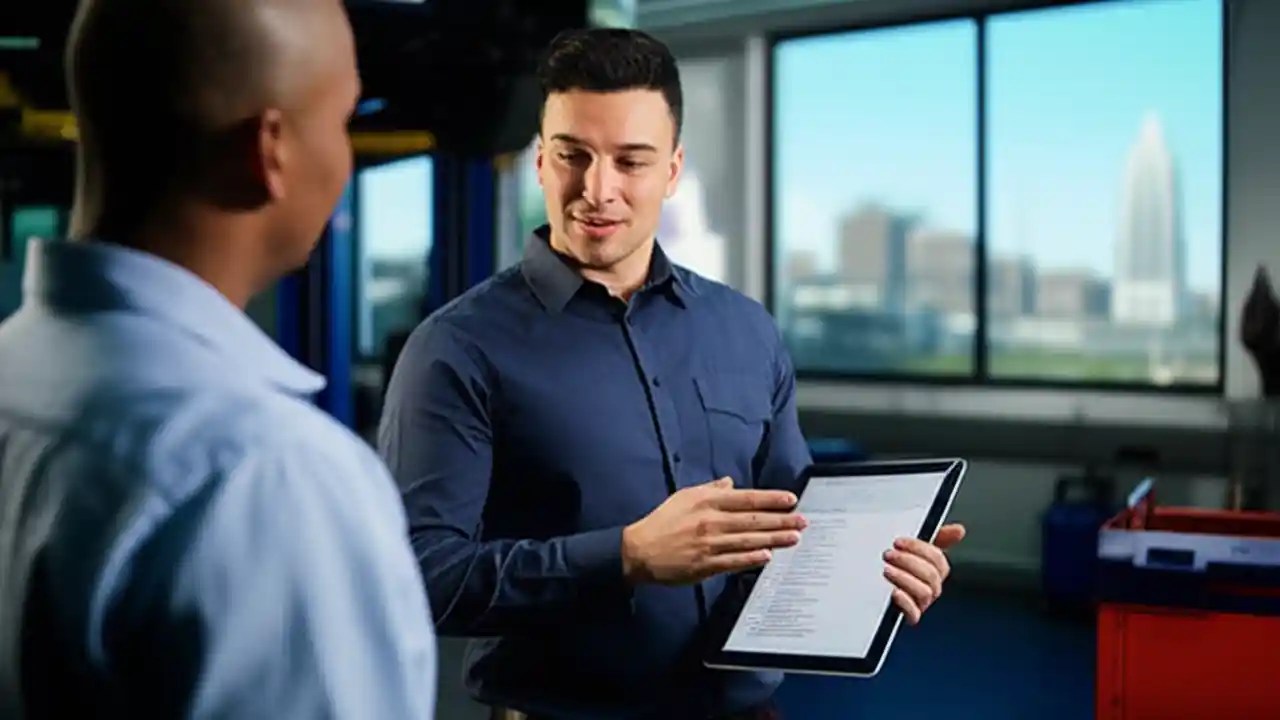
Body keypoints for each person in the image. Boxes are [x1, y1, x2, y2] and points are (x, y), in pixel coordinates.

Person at [379, 27, 964, 720]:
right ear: (541, 161)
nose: (598, 189)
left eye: (631, 161)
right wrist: (624, 556)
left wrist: (879, 566)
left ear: (673, 170)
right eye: (574, 156)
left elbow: (789, 530)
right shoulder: (457, 348)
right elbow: (418, 576)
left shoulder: (746, 330)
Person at [0, 1, 436, 717]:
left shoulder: (19, 376)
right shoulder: (263, 474)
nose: (346, 155)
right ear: (271, 150)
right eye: (342, 120)